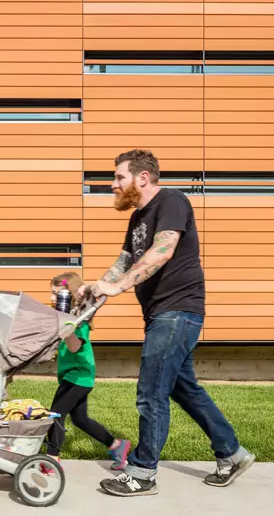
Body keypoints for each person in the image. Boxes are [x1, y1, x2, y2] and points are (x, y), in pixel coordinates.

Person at [77, 149, 255, 497]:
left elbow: (164, 249)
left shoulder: (172, 201)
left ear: (142, 178)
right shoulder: (138, 218)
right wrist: (96, 288)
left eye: (118, 177)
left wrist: (118, 285)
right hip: (163, 312)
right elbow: (126, 259)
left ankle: (143, 473)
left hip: (178, 310)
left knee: (151, 392)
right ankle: (232, 453)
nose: (113, 185)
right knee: (182, 388)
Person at [45, 272, 131, 470]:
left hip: (79, 376)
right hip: (73, 375)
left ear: (71, 297)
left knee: (56, 414)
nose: (51, 298)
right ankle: (117, 445)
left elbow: (75, 346)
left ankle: (51, 459)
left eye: (56, 294)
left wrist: (67, 332)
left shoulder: (79, 321)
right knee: (80, 419)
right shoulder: (67, 318)